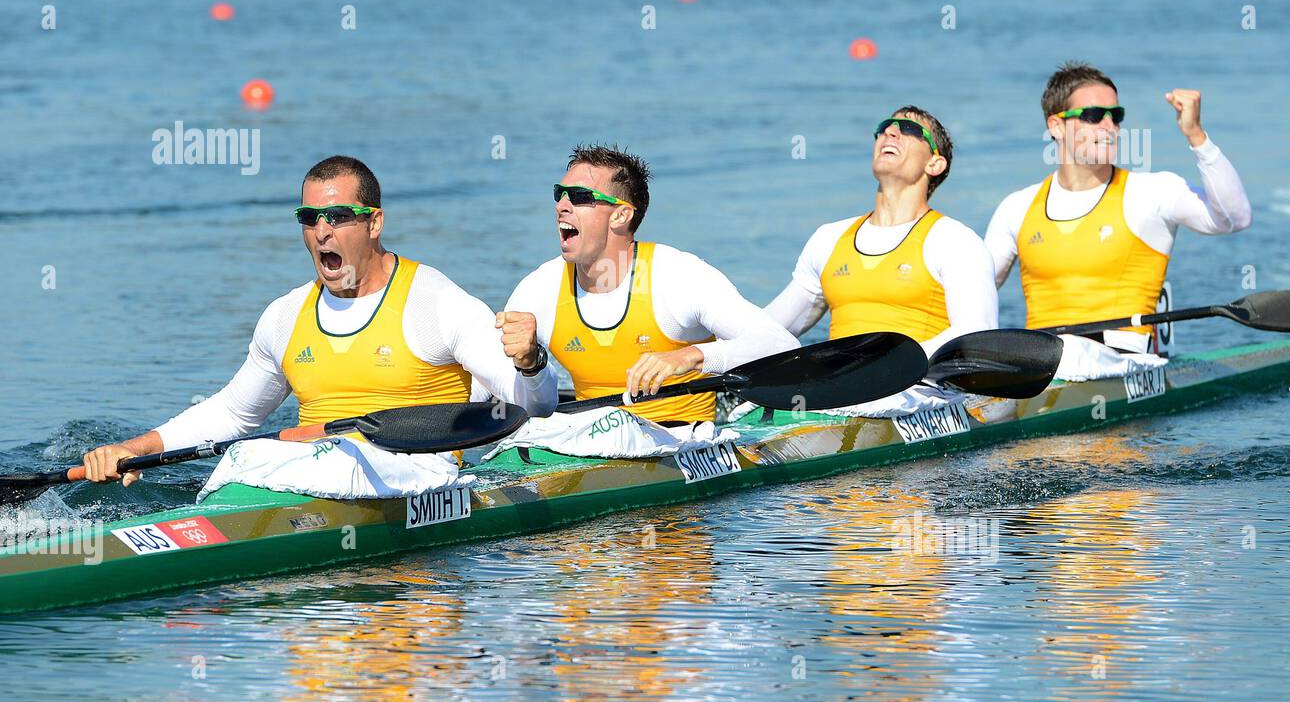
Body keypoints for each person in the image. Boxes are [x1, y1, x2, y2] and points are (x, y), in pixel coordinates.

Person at [82, 155, 556, 485]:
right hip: (313, 471)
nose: (321, 230)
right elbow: (232, 413)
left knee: (294, 461)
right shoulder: (285, 316)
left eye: (337, 216)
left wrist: (532, 362)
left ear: (374, 223)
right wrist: (135, 449)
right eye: (310, 217)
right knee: (247, 455)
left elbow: (535, 403)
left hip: (418, 476)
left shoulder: (436, 303)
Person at [502, 145, 798, 427]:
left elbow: (782, 347)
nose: (562, 206)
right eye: (560, 194)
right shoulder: (538, 290)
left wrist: (692, 356)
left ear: (621, 215)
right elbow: (533, 412)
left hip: (684, 440)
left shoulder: (679, 277)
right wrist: (531, 366)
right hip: (587, 446)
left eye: (580, 197)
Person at [984, 62, 1251, 352]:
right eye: (1094, 116)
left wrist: (1196, 136)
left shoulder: (1151, 193)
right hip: (1042, 365)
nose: (1110, 127)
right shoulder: (1017, 207)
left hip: (1126, 360)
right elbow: (975, 294)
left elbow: (1234, 218)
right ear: (1056, 126)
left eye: (1116, 116)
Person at [766, 106, 997, 356]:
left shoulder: (955, 241)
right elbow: (768, 332)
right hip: (842, 387)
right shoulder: (828, 239)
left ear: (934, 164)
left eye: (910, 129)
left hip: (921, 389)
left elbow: (976, 335)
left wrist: (887, 363)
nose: (890, 131)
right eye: (883, 128)